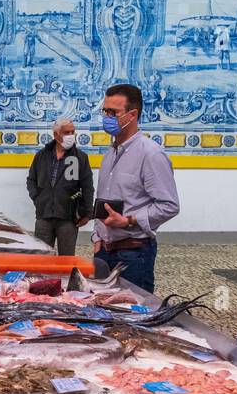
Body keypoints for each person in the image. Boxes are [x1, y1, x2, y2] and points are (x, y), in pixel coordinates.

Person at [91, 83, 180, 292]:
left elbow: (169, 205)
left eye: (114, 112)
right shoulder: (110, 154)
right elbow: (103, 199)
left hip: (133, 255)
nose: (107, 118)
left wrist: (129, 221)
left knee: (131, 318)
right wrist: (97, 236)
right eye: (105, 111)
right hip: (104, 252)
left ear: (132, 114)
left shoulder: (151, 154)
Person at [26, 118, 94, 256]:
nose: (71, 136)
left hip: (68, 218)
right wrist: (38, 198)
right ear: (56, 135)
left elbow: (87, 187)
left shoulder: (80, 158)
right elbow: (31, 180)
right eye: (66, 132)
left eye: (72, 132)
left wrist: (87, 213)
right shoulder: (41, 155)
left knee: (67, 259)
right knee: (41, 258)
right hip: (44, 216)